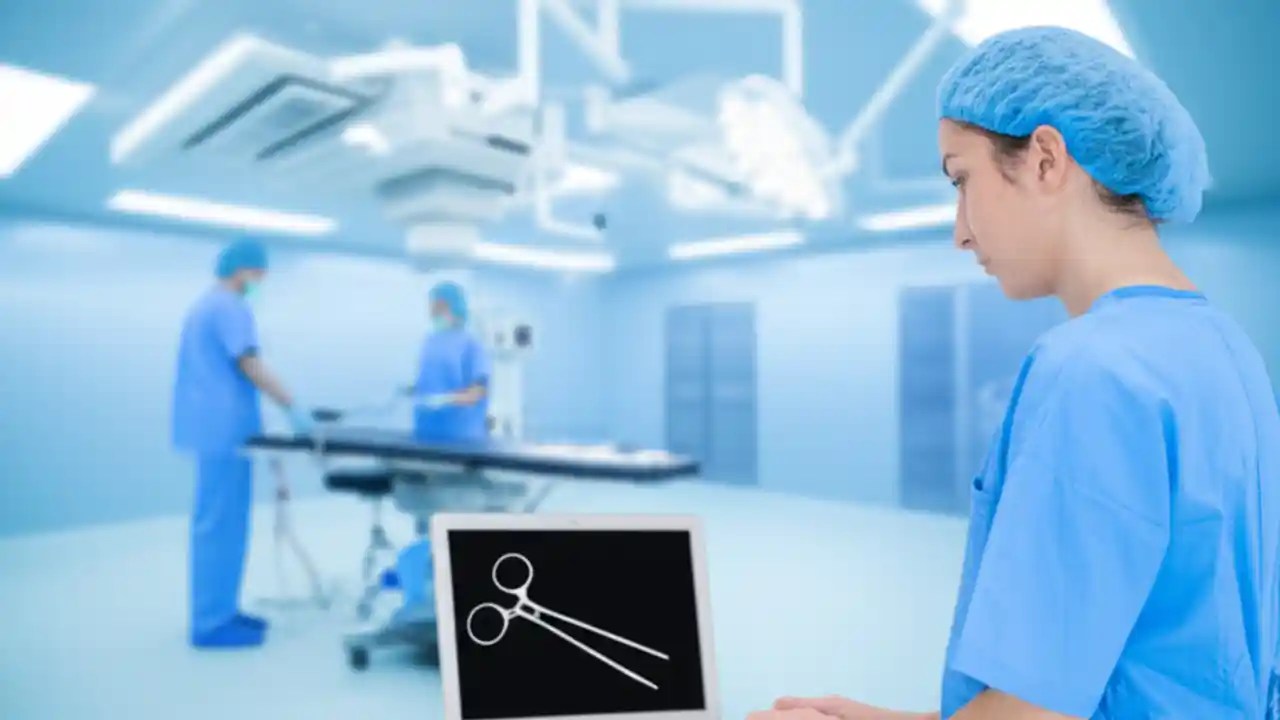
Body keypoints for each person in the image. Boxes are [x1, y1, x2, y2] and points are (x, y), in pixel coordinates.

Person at [751, 26, 1279, 720]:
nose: (960, 231)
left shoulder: (1092, 370)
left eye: (961, 179)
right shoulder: (1226, 351)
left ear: (1045, 160)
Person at [171, 238, 314, 649]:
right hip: (224, 433)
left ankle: (223, 610)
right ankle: (211, 623)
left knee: (225, 525)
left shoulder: (207, 306)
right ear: (242, 270)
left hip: (218, 430)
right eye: (259, 273)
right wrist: (292, 405)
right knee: (220, 526)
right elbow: (250, 364)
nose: (261, 281)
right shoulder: (229, 307)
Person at [409, 281, 492, 443]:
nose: (433, 312)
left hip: (462, 438)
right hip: (425, 433)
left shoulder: (471, 345)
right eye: (432, 306)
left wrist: (445, 400)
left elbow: (476, 393)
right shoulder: (430, 341)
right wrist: (416, 392)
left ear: (456, 308)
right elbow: (430, 381)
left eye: (439, 306)